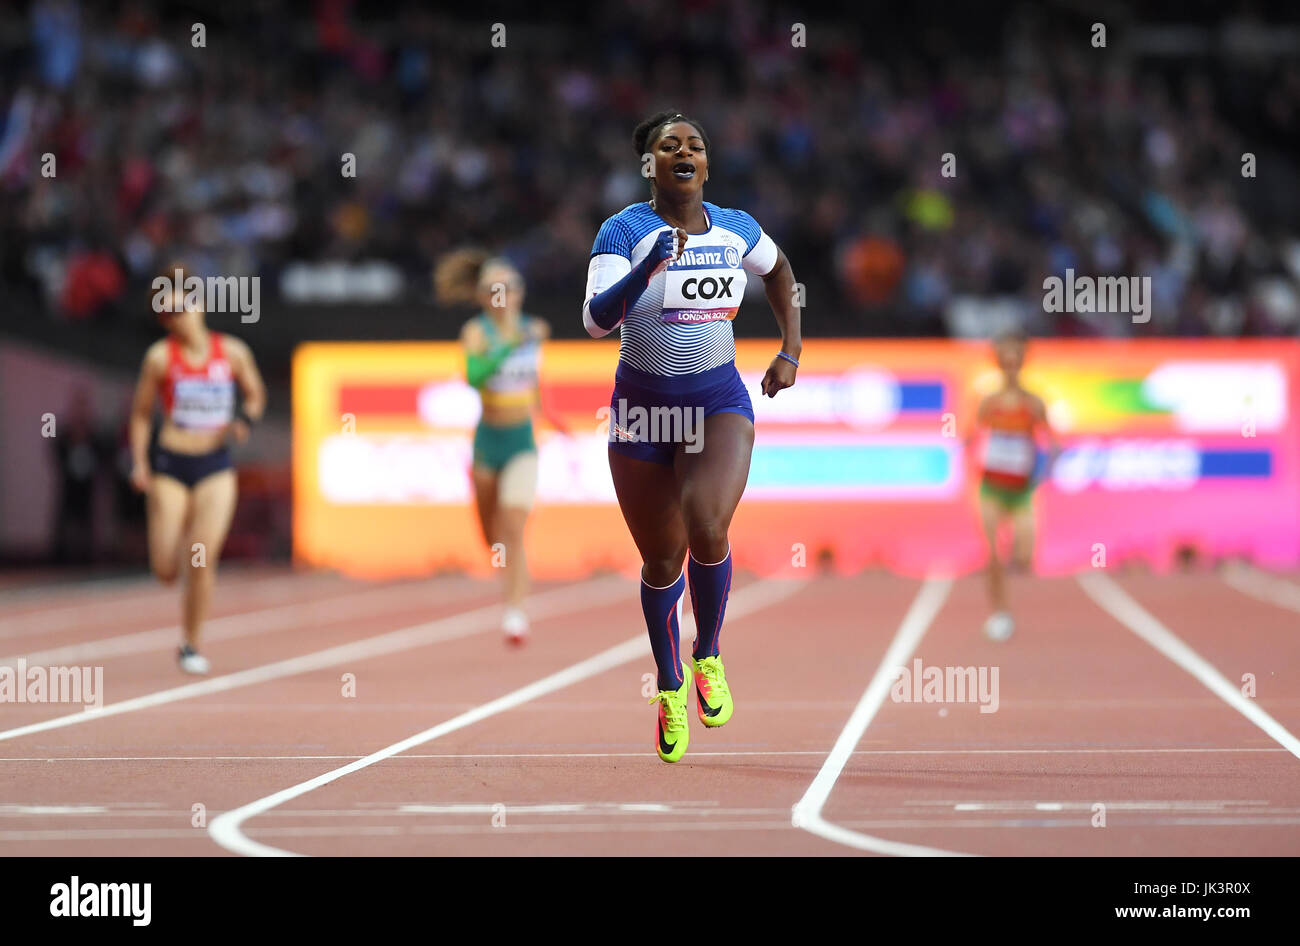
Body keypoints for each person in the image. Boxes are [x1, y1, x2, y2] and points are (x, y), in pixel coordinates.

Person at [582, 110, 802, 763]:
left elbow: (780, 272)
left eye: (696, 145)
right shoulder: (623, 231)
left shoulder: (737, 229)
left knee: (707, 524)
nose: (684, 151)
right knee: (661, 561)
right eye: (669, 145)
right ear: (648, 164)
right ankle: (670, 685)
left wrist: (790, 349)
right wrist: (646, 268)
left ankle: (707, 653)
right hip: (642, 412)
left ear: (706, 164)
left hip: (716, 402)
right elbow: (596, 321)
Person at [128, 266, 266, 673]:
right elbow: (141, 415)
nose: (179, 318)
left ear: (200, 305)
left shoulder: (233, 352)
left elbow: (256, 394)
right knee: (166, 569)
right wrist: (140, 463)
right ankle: (170, 557)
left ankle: (190, 643)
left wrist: (244, 420)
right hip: (171, 465)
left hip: (215, 467)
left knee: (202, 556)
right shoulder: (159, 358)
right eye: (169, 313)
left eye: (183, 307)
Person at [436, 249, 565, 645]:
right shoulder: (477, 333)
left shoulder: (536, 329)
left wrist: (551, 416)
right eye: (494, 289)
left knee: (513, 525)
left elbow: (534, 380)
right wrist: (509, 345)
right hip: (487, 443)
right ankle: (502, 563)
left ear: (520, 292)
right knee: (491, 536)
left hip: (521, 440)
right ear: (482, 296)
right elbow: (474, 376)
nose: (502, 295)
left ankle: (515, 612)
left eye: (509, 288)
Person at [967, 329, 1059, 641]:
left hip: (1021, 492)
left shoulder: (1033, 404)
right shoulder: (988, 402)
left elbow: (1054, 442)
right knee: (993, 555)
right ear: (997, 362)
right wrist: (976, 455)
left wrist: (1042, 472)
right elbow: (970, 437)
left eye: (1015, 359)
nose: (1010, 366)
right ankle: (999, 612)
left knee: (1023, 558)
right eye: (1004, 360)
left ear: (1022, 361)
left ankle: (1008, 580)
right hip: (991, 489)